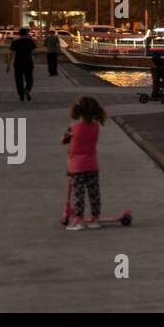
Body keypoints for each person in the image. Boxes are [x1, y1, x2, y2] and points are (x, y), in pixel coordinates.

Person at [61, 96, 107, 229]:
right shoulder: (95, 127)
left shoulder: (73, 127)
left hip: (77, 167)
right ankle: (96, 219)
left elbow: (64, 139)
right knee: (94, 193)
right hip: (92, 165)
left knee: (78, 194)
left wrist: (66, 137)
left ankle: (78, 220)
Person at [5, 27, 37, 102]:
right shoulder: (30, 41)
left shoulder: (15, 42)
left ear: (19, 34)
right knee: (29, 79)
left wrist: (8, 65)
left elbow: (11, 54)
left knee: (19, 80)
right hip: (28, 63)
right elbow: (34, 53)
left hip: (18, 63)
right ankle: (27, 89)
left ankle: (21, 95)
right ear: (26, 34)